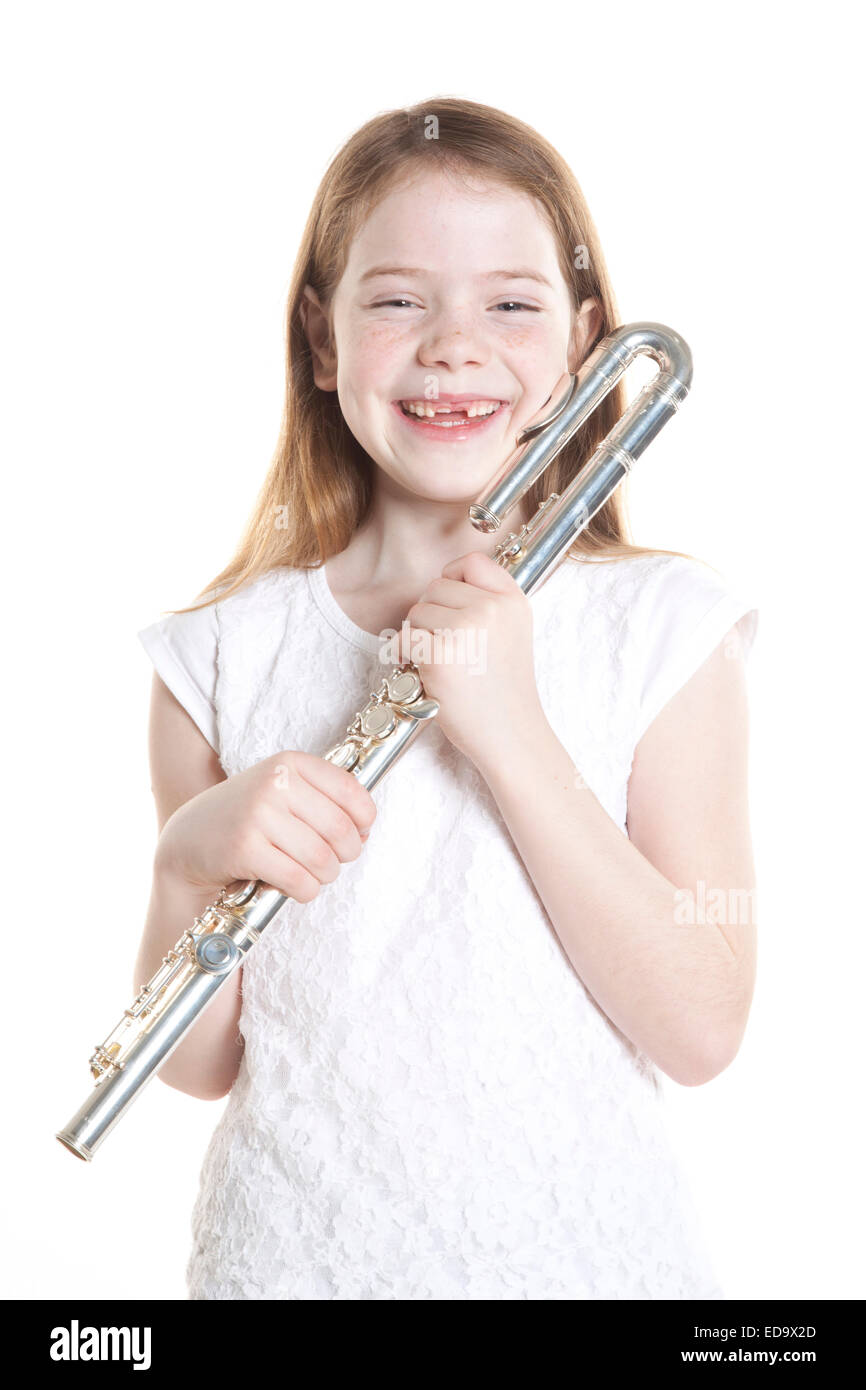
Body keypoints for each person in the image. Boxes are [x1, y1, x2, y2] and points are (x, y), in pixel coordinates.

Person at [135, 97, 758, 1300]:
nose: (453, 346)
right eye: (397, 300)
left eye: (511, 305)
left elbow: (701, 1028)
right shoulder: (214, 656)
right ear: (320, 341)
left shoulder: (664, 633)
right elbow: (196, 1062)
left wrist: (511, 730)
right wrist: (183, 864)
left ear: (582, 343)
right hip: (285, 1267)